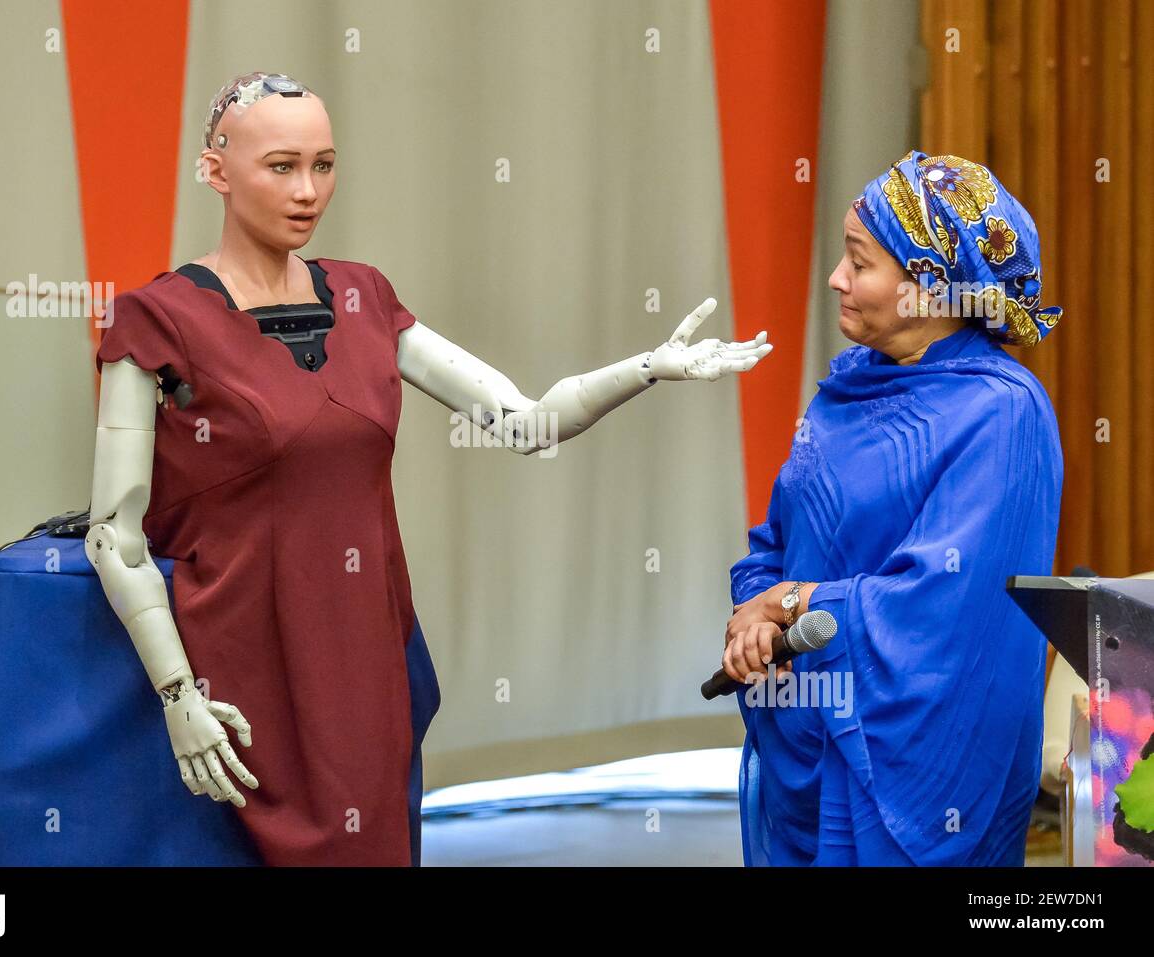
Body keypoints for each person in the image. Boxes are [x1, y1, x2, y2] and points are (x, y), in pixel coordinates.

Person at [85, 71, 774, 865]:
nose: (309, 190)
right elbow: (114, 533)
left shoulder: (363, 298)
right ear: (215, 169)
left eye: (324, 163)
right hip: (237, 675)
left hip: (368, 659)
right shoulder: (159, 319)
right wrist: (178, 694)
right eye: (281, 166)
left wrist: (647, 366)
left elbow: (524, 422)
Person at [725, 150, 1064, 866]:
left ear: (931, 287)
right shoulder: (846, 389)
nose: (836, 279)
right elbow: (775, 543)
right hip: (806, 751)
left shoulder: (1003, 415)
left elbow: (938, 607)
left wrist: (791, 604)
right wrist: (753, 611)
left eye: (860, 261)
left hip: (924, 778)